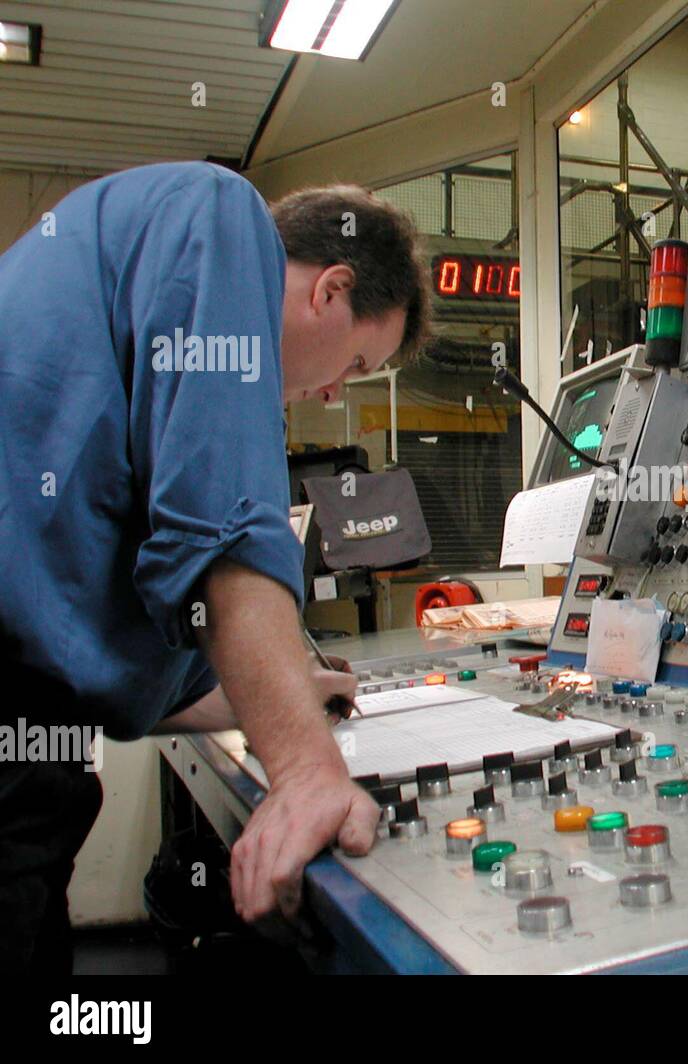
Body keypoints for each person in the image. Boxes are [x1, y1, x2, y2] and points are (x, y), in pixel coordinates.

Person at [0, 161, 433, 972]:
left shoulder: (111, 261)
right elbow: (225, 523)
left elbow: (86, 649)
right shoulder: (219, 209)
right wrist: (306, 767)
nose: (335, 392)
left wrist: (265, 694)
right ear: (330, 290)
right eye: (357, 365)